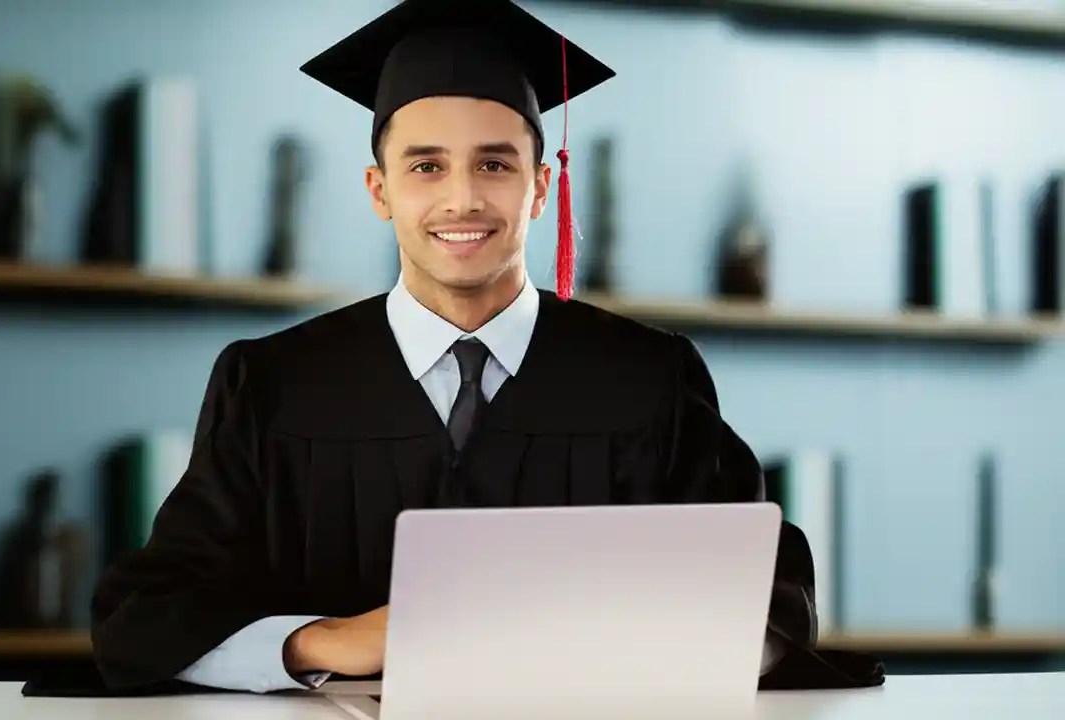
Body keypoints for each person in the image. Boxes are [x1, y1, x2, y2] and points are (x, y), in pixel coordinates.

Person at [89, 0, 819, 694]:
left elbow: (765, 596)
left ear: (540, 187)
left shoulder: (649, 377)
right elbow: (148, 615)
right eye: (426, 166)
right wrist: (322, 641)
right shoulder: (273, 382)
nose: (462, 198)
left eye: (496, 165)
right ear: (380, 191)